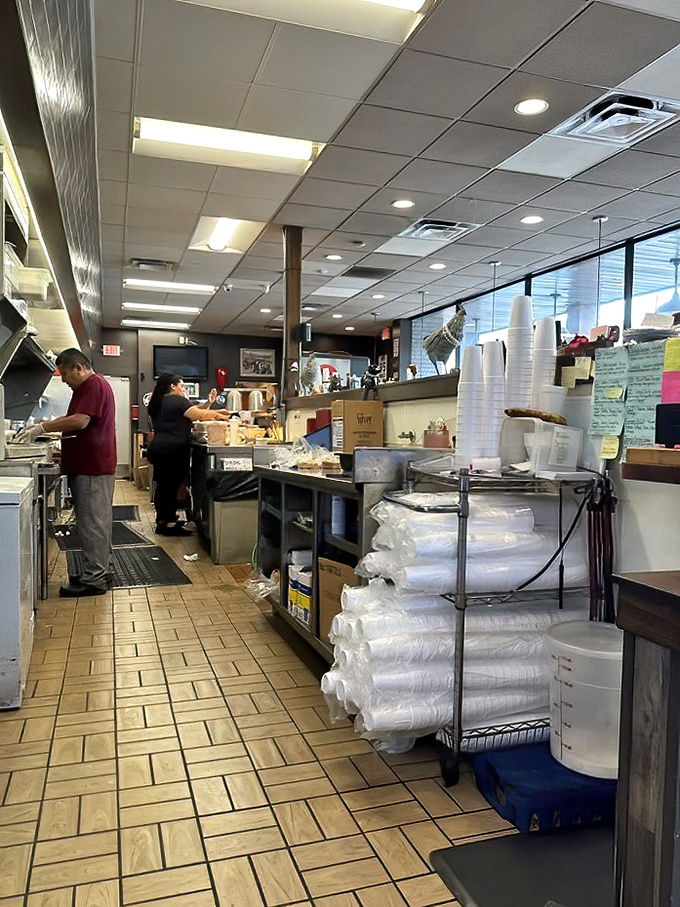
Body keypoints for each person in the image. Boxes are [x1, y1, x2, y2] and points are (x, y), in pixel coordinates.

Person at [15, 348, 117, 598]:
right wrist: (46, 427)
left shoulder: (93, 385)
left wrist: (42, 427)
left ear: (77, 368)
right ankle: (100, 571)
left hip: (92, 468)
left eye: (65, 375)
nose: (64, 381)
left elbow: (80, 421)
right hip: (91, 465)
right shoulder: (89, 387)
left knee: (92, 524)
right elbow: (75, 418)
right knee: (97, 522)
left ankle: (95, 579)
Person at [146, 373, 228, 536]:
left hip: (159, 449)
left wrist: (209, 404)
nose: (183, 389)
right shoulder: (177, 400)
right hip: (174, 450)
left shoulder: (158, 402)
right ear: (173, 386)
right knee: (171, 486)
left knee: (164, 486)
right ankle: (167, 525)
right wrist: (221, 415)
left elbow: (193, 411)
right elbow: (200, 416)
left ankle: (164, 520)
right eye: (181, 386)